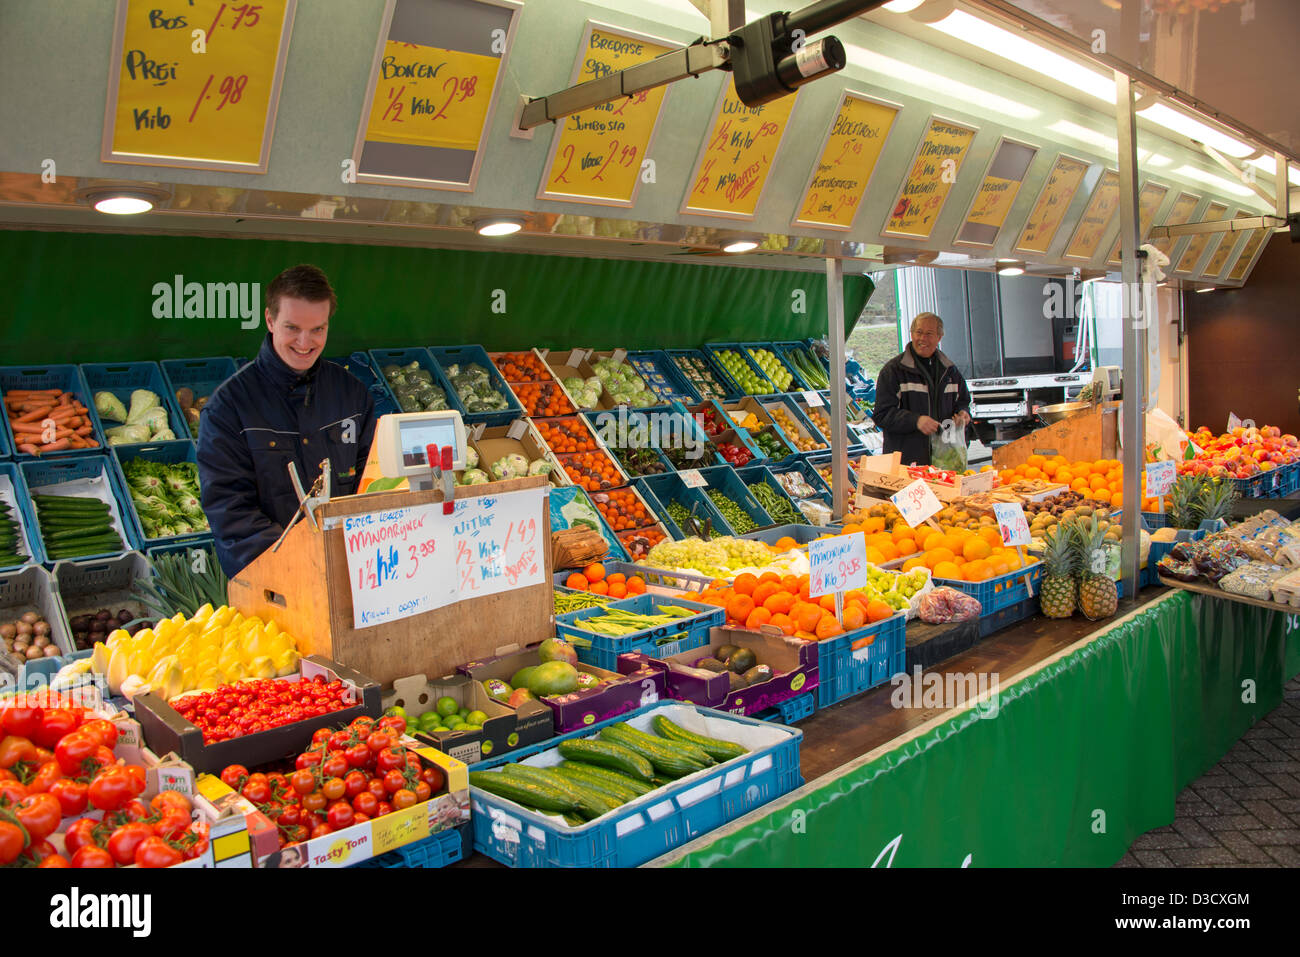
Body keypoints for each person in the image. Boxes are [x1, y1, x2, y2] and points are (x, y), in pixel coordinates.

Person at [198, 265, 376, 578]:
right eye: (292, 328)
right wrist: (303, 566)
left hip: (350, 574)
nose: (305, 342)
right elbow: (231, 512)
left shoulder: (352, 395)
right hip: (272, 582)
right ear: (270, 320)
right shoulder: (228, 407)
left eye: (318, 329)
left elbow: (372, 481)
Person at [871, 312, 972, 466]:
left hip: (944, 462)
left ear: (939, 337)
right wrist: (915, 421)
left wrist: (963, 414)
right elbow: (882, 414)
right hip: (906, 464)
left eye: (929, 334)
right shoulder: (894, 371)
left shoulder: (950, 371)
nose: (922, 339)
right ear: (911, 334)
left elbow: (963, 401)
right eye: (918, 332)